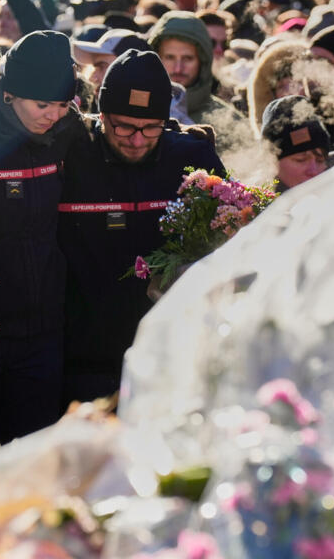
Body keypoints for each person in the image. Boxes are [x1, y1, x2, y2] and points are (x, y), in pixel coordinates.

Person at [58, 49, 226, 402]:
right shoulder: (72, 153)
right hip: (83, 361)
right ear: (101, 115)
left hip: (169, 358)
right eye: (123, 127)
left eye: (151, 128)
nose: (136, 140)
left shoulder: (193, 158)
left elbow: (230, 243)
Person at [0, 30, 83, 443]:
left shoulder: (67, 130)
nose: (53, 115)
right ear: (9, 94)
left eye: (62, 105)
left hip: (42, 328)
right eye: (42, 104)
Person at [148, 10, 238, 123]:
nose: (178, 68)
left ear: (203, 61)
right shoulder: (130, 112)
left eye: (188, 58)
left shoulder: (229, 122)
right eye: (170, 57)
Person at [260, 95, 332, 190]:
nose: (313, 171)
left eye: (320, 160)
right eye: (301, 160)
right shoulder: (254, 202)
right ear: (273, 162)